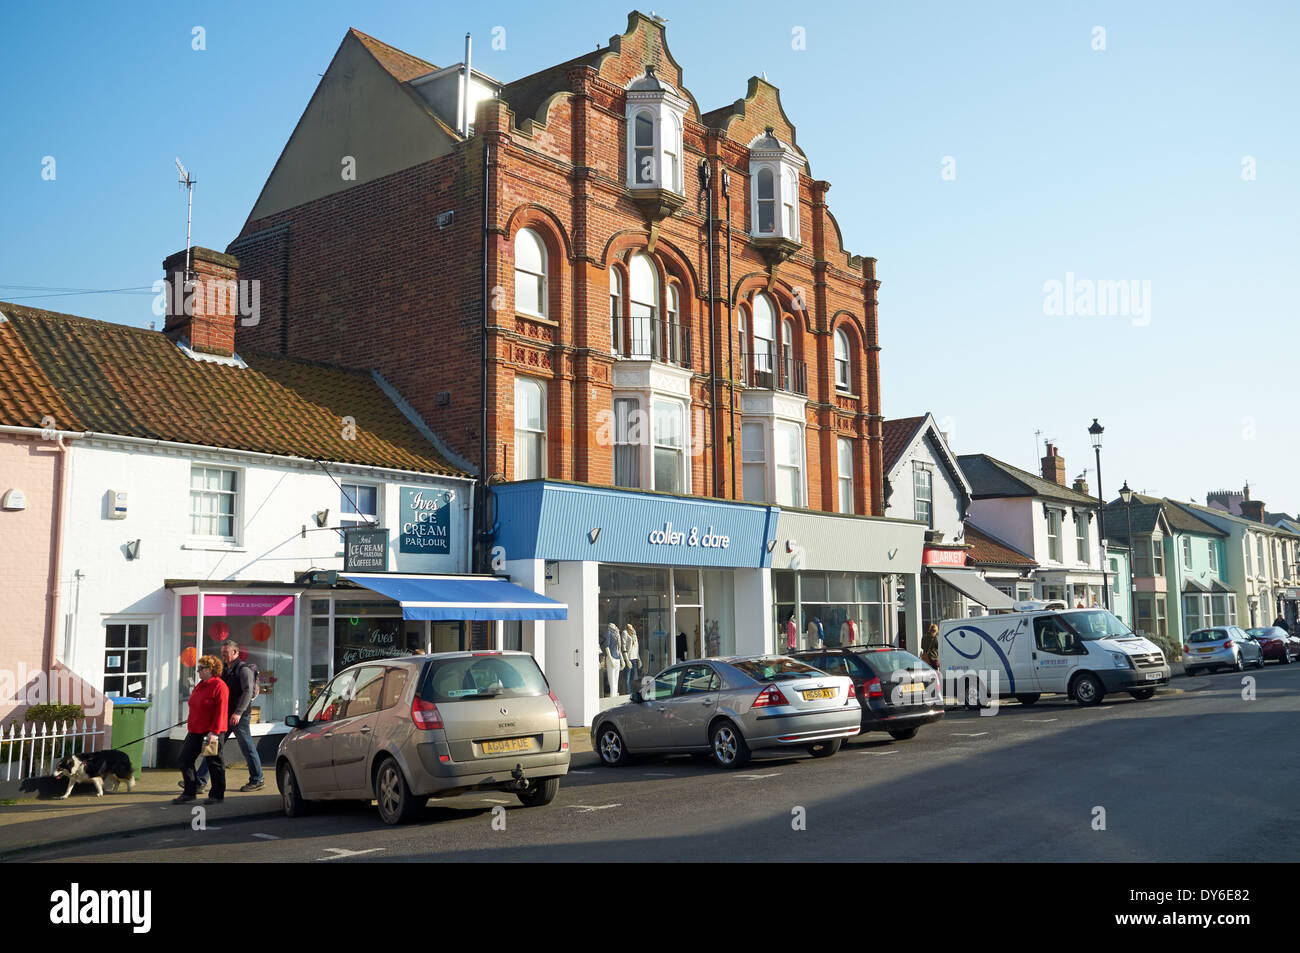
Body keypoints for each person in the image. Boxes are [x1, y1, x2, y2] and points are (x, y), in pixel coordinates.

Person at [192, 640, 265, 793]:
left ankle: (257, 779)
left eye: (226, 653)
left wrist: (238, 713)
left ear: (235, 652)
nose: (223, 656)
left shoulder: (243, 670)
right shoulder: (224, 669)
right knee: (212, 745)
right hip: (224, 715)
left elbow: (247, 692)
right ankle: (200, 781)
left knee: (247, 748)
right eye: (222, 653)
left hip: (239, 716)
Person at [174, 654, 228, 805]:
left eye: (201, 668)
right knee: (184, 760)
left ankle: (217, 795)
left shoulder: (219, 686)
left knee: (214, 763)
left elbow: (221, 711)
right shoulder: (200, 684)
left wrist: (214, 732)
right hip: (195, 731)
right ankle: (190, 792)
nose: (198, 671)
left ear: (211, 669)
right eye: (198, 668)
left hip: (210, 733)